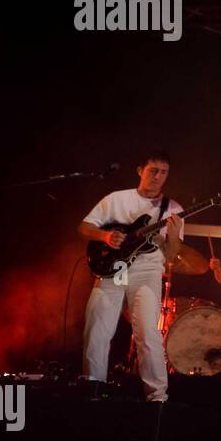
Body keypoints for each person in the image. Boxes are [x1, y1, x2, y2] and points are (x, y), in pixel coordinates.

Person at [78, 150, 183, 402]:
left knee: (147, 332)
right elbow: (83, 227)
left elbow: (170, 256)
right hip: (114, 268)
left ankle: (157, 397)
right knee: (97, 329)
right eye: (153, 171)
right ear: (140, 171)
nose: (158, 177)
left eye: (164, 172)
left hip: (147, 271)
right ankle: (92, 388)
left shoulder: (173, 209)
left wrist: (173, 235)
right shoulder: (116, 199)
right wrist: (105, 236)